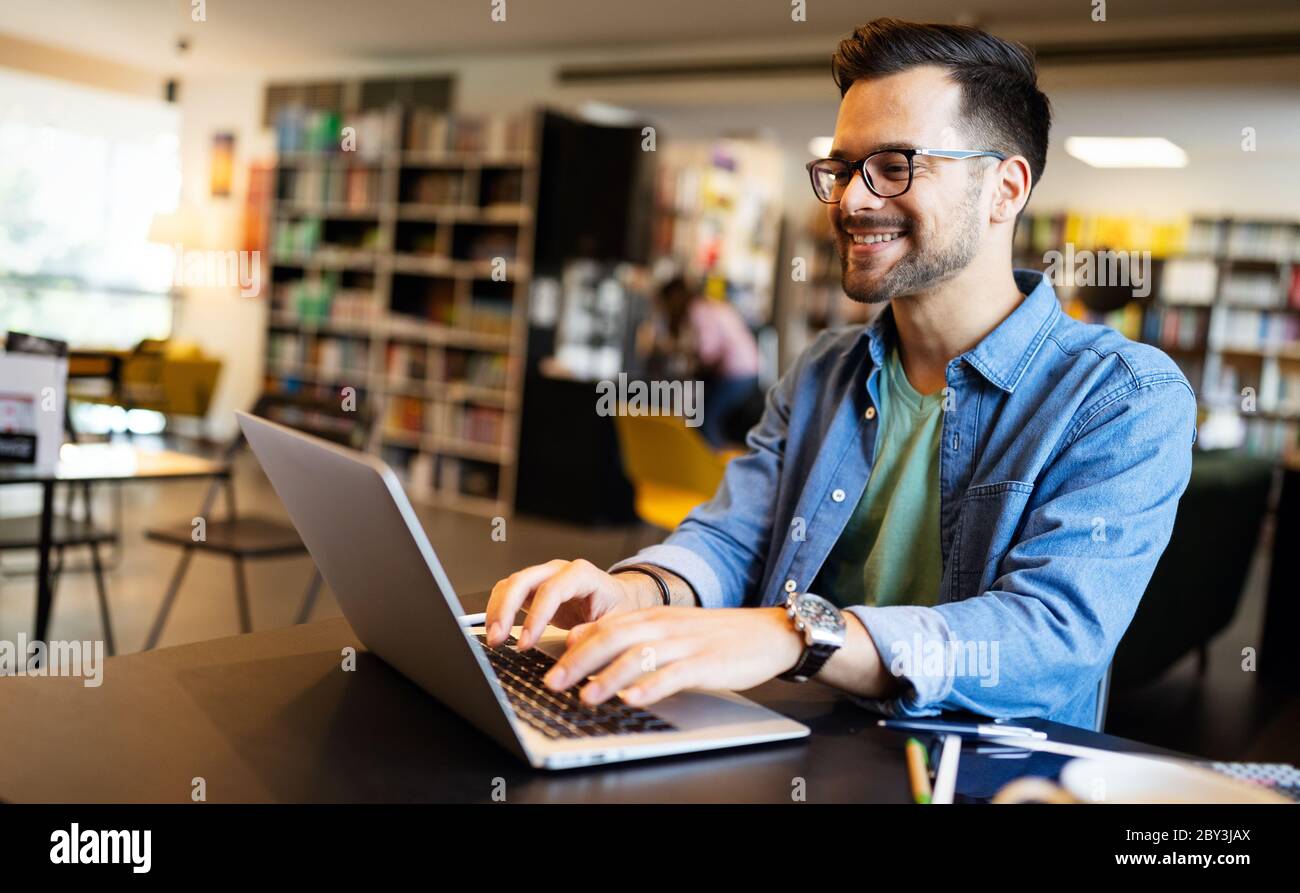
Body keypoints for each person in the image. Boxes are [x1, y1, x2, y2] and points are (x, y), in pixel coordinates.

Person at [485, 18, 1196, 730]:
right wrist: (639, 591)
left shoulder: (1122, 396)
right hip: (799, 743)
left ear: (1003, 189)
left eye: (895, 166)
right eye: (844, 167)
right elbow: (736, 538)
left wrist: (797, 634)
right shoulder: (826, 368)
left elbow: (1049, 636)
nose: (852, 200)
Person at [641, 276, 761, 446]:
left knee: (704, 420)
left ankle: (715, 468)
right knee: (701, 416)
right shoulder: (705, 306)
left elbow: (708, 352)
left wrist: (677, 351)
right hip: (746, 370)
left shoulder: (699, 310)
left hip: (738, 373)